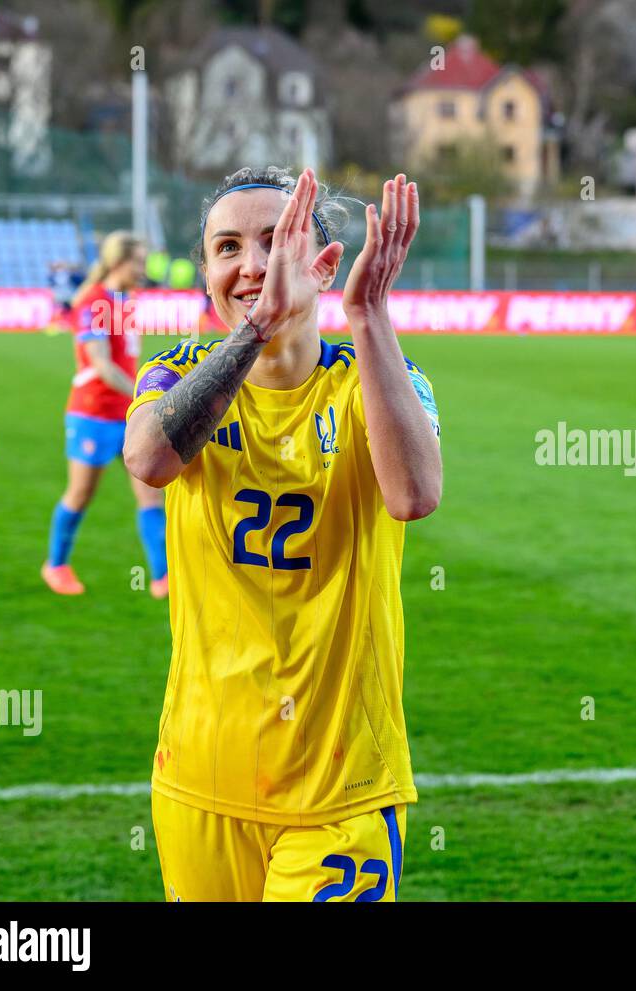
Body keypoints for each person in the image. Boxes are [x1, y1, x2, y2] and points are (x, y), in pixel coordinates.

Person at [123, 166, 442, 902]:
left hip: (342, 784)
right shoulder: (173, 373)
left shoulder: (380, 377)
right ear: (206, 274)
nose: (251, 264)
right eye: (228, 247)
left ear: (325, 265)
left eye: (277, 240)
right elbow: (148, 458)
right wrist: (259, 327)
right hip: (201, 778)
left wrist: (369, 317)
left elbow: (415, 494)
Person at [42, 231, 168, 598]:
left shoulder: (126, 301)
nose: (144, 270)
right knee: (80, 494)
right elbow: (101, 365)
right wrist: (145, 398)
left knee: (151, 496)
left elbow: (128, 361)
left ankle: (162, 577)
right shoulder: (94, 303)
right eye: (138, 262)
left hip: (126, 415)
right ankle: (55, 565)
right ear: (118, 263)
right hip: (92, 414)